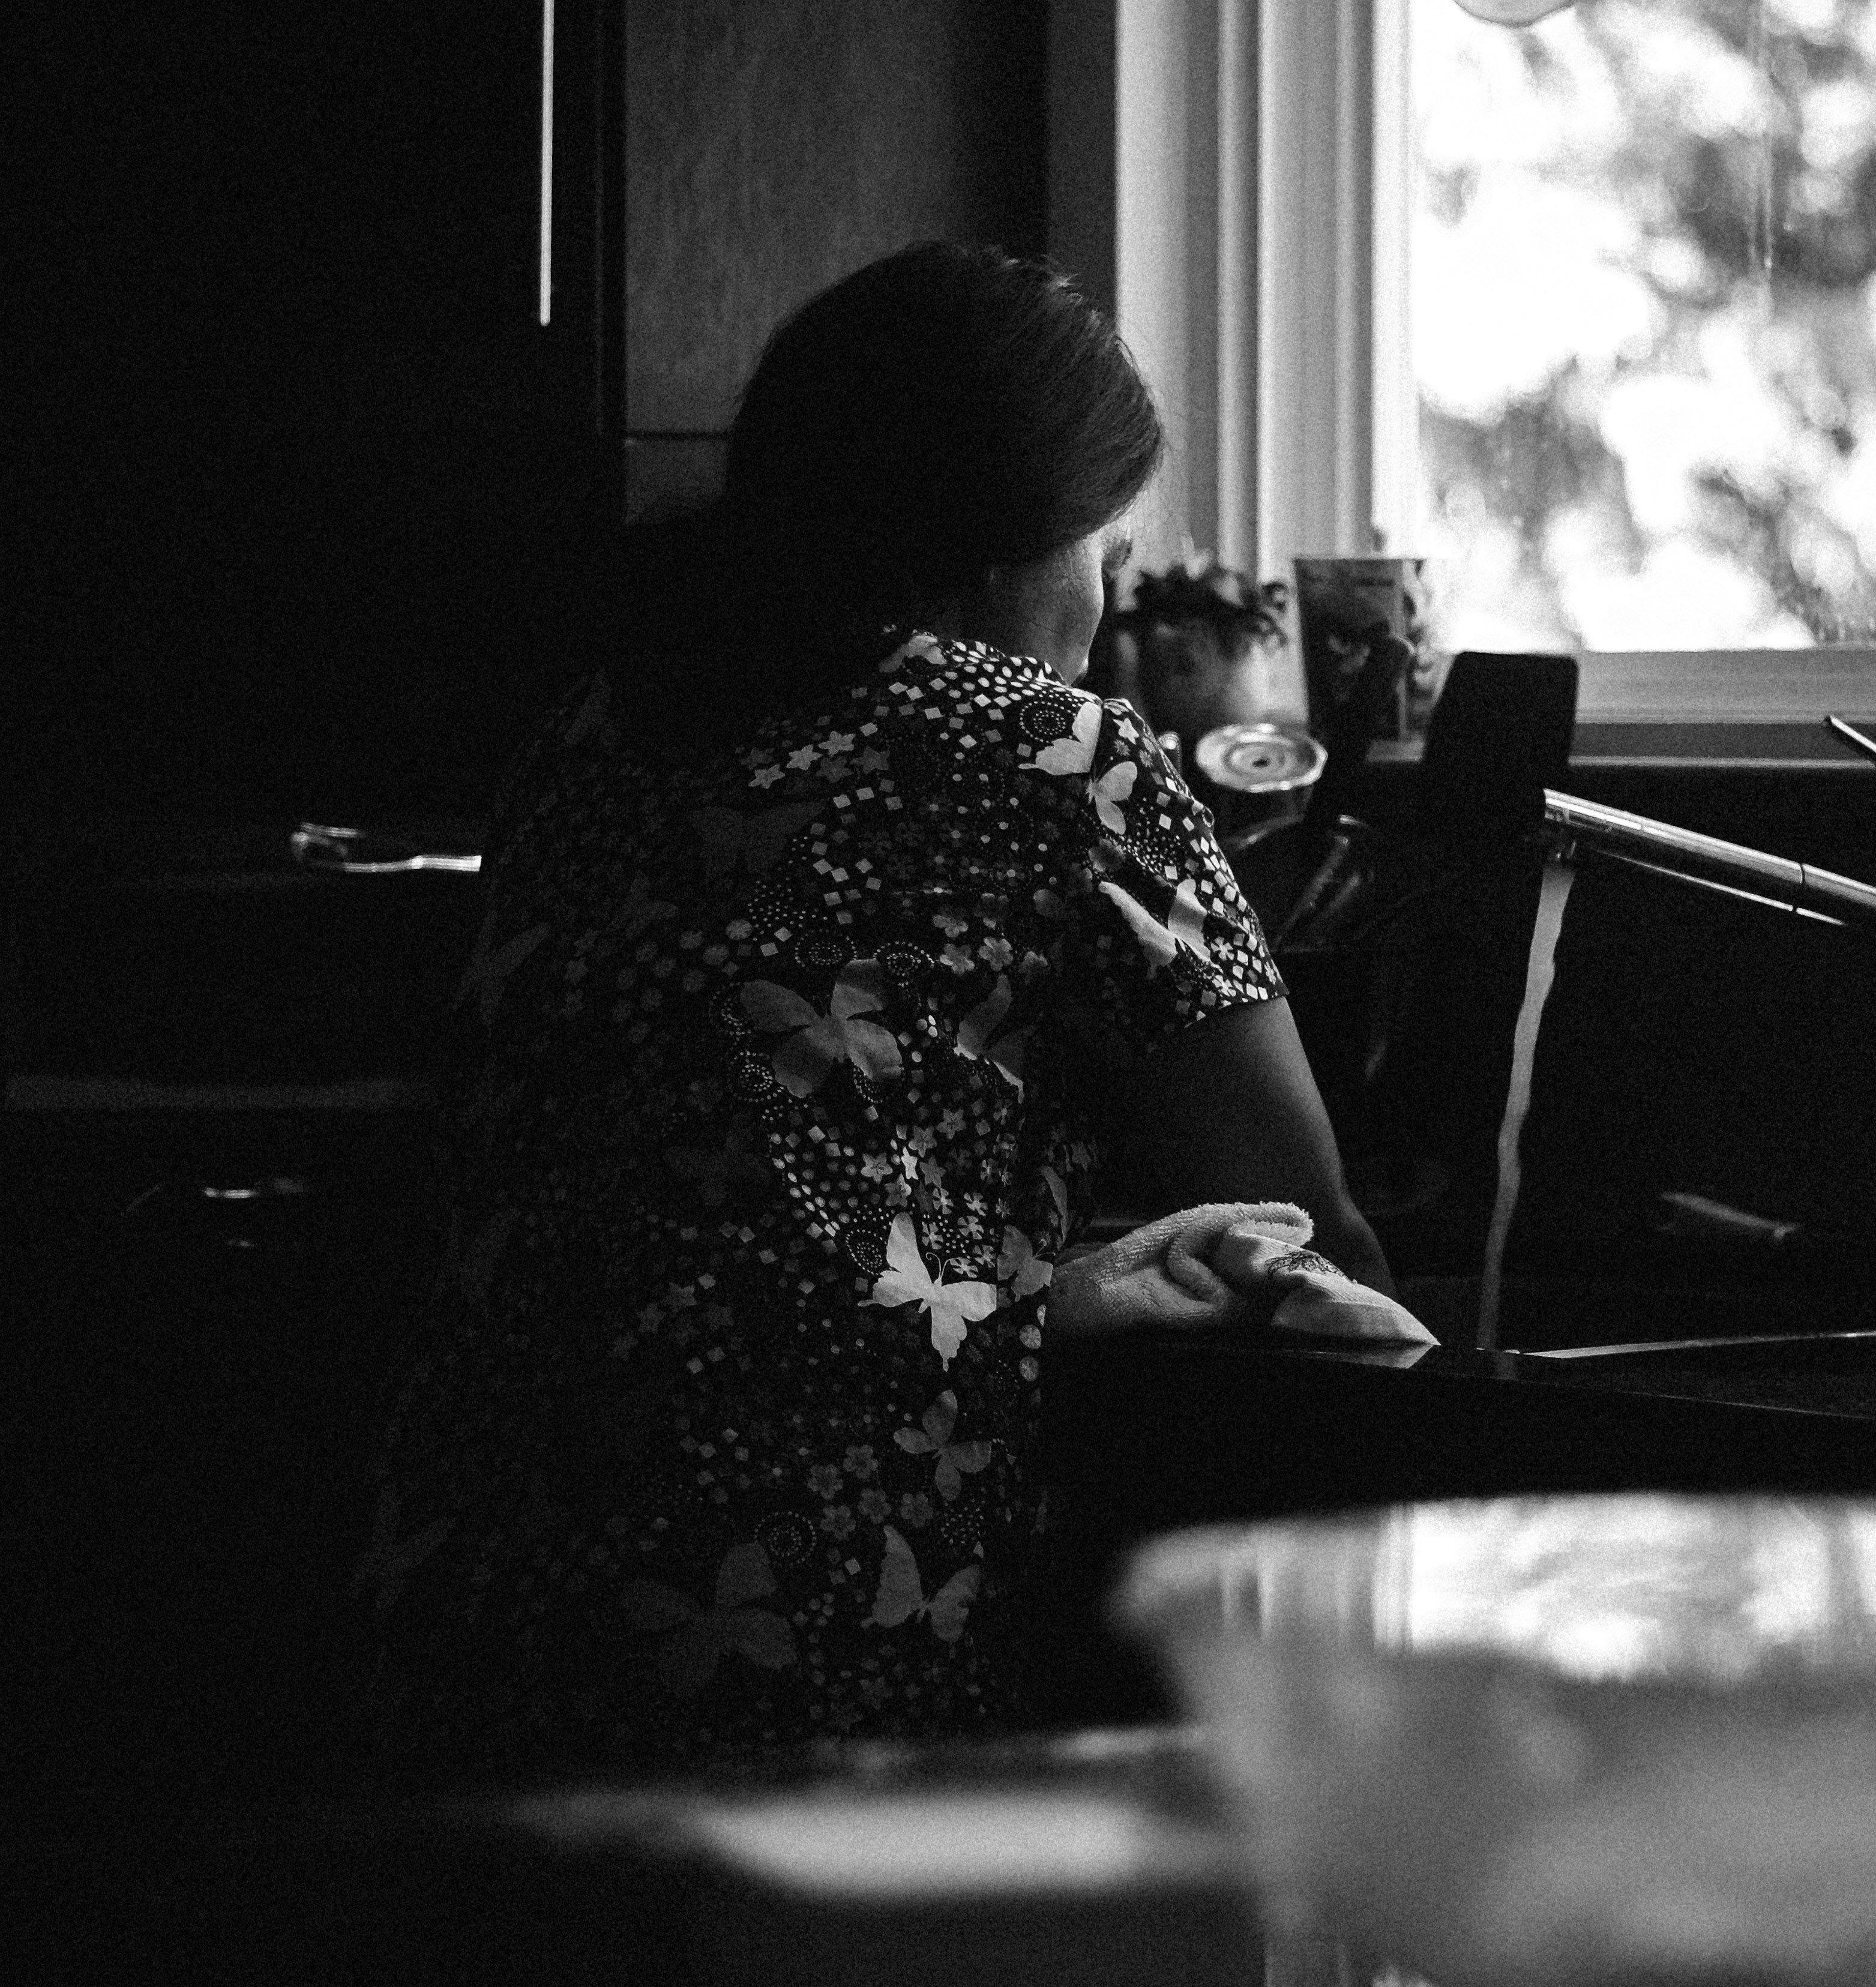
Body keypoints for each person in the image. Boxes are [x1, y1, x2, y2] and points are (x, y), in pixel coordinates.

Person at [349, 242, 1387, 1778]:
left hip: (463, 1605)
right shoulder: (1057, 752)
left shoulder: (593, 733)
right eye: (1102, 548)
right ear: (1003, 550)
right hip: (809, 1632)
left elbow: (732, 1222)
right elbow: (1300, 1221)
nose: (1102, 603)